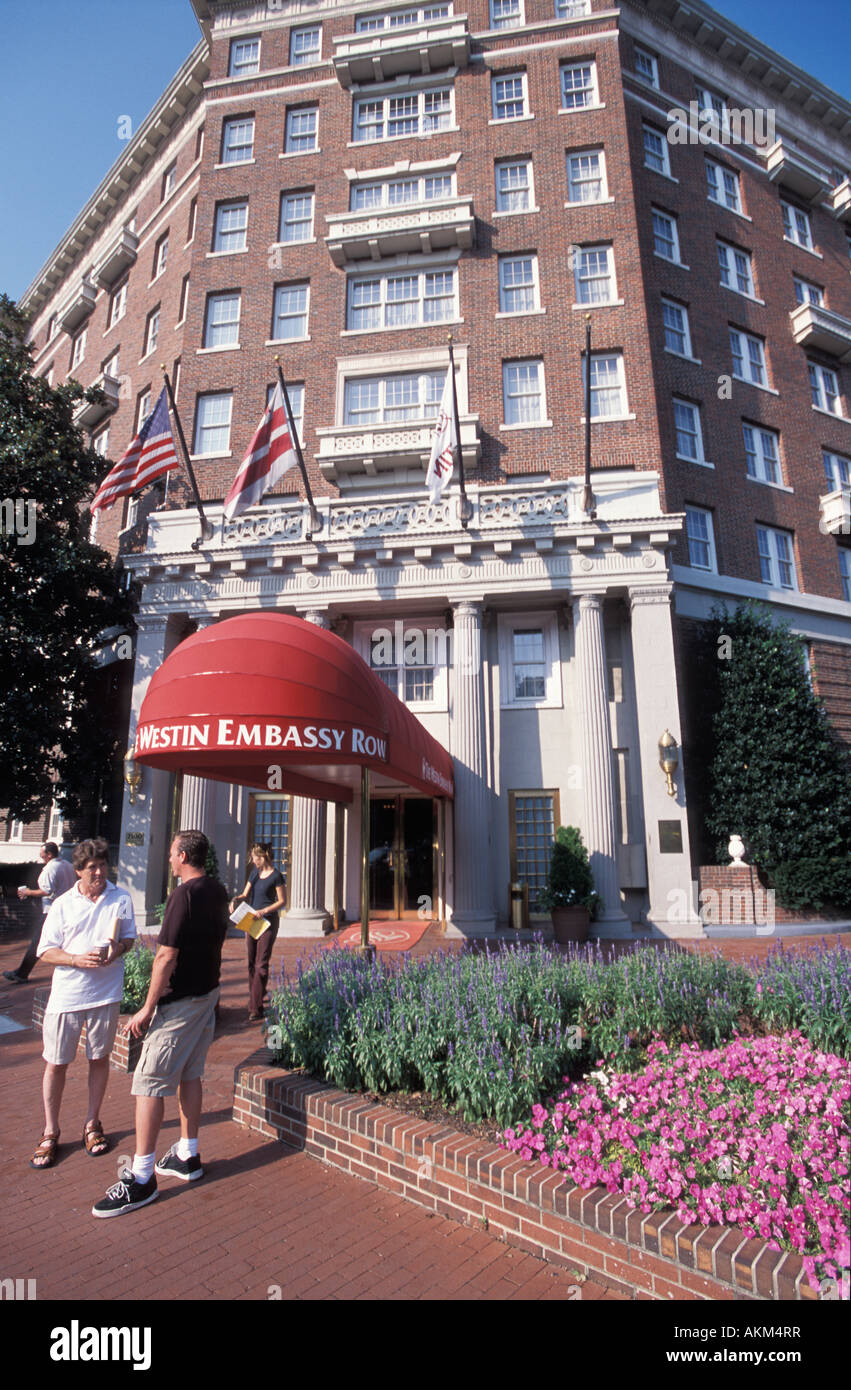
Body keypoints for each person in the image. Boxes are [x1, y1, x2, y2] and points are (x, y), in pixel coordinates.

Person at [92, 829, 229, 1217]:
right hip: (208, 995)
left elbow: (165, 956)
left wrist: (147, 1008)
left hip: (180, 1003)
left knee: (149, 1083)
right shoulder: (217, 890)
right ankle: (187, 1154)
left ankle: (142, 1177)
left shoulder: (182, 896)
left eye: (171, 853)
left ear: (184, 855)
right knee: (190, 1074)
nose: (169, 859)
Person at [30, 838, 136, 1169]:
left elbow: (128, 939)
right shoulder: (63, 904)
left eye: (103, 865)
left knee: (99, 1058)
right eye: (92, 867)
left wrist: (114, 951)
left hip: (105, 994)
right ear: (78, 871)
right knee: (57, 1062)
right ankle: (50, 1130)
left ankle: (92, 1123)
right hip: (68, 994)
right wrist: (77, 959)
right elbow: (45, 950)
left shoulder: (120, 898)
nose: (100, 872)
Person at [4, 842, 76, 985]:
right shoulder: (67, 865)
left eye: (42, 852)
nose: (40, 854)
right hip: (69, 909)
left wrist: (28, 892)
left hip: (51, 911)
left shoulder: (50, 869)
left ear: (49, 854)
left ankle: (22, 973)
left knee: (37, 943)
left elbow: (47, 891)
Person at [230, 842, 286, 1021]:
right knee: (251, 962)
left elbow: (282, 901)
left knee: (261, 964)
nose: (253, 861)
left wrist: (264, 911)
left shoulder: (276, 876)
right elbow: (245, 894)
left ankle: (255, 1007)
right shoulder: (254, 874)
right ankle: (257, 996)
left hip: (267, 922)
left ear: (263, 857)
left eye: (254, 858)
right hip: (251, 921)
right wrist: (235, 900)